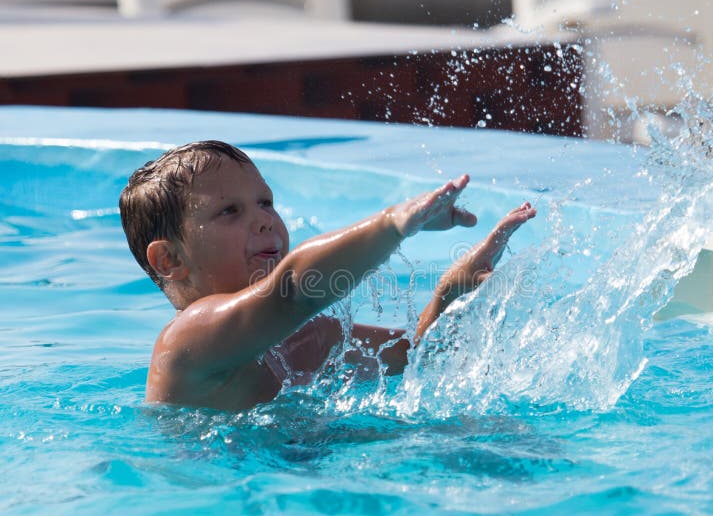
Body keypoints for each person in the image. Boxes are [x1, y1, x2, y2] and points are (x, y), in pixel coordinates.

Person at [119, 141, 535, 412]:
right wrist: (392, 225)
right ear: (169, 259)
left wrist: (451, 289)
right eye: (229, 211)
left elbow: (414, 357)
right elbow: (293, 291)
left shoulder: (307, 338)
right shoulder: (186, 341)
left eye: (265, 202)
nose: (264, 220)